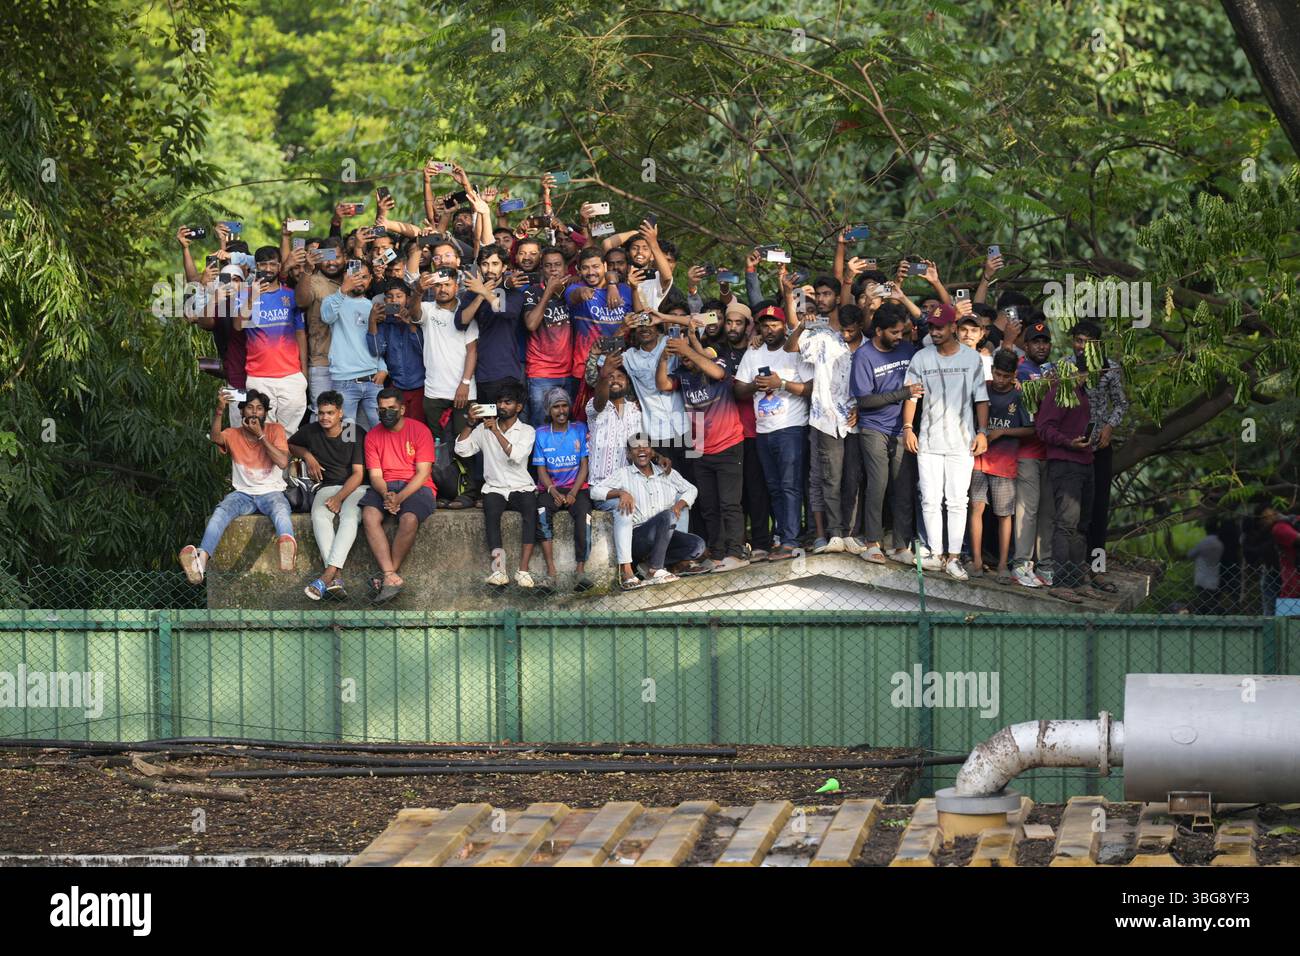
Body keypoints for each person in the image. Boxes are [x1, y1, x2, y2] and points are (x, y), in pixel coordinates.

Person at [900, 304, 989, 579]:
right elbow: (911, 396)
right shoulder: (921, 358)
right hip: (928, 439)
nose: (935, 331)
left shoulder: (972, 359)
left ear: (953, 327)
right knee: (929, 499)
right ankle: (936, 555)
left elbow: (981, 399)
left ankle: (953, 557)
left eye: (940, 327)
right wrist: (907, 428)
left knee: (957, 501)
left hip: (962, 441)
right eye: (932, 327)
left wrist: (983, 431)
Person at [657, 321, 749, 572]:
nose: (686, 358)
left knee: (730, 504)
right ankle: (717, 554)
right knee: (709, 506)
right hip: (698, 448)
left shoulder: (717, 366)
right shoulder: (683, 377)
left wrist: (687, 349)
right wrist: (664, 358)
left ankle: (736, 552)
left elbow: (719, 374)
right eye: (683, 356)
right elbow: (662, 384)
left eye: (690, 354)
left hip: (729, 444)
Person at [180, 390, 295, 584]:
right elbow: (216, 437)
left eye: (259, 408)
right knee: (221, 512)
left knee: (281, 510)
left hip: (272, 491)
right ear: (241, 411)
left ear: (265, 413)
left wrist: (260, 435)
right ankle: (200, 563)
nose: (254, 412)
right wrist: (219, 410)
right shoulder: (233, 433)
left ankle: (287, 550)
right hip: (243, 494)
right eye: (249, 407)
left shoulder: (275, 430)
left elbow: (283, 462)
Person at [784, 276, 863, 554]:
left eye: (852, 329)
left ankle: (850, 533)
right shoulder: (822, 338)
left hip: (855, 421)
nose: (847, 332)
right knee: (830, 478)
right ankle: (835, 534)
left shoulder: (864, 346)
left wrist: (860, 409)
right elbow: (791, 347)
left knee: (852, 478)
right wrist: (801, 325)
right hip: (825, 418)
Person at [734, 305, 815, 561]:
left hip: (791, 428)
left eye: (775, 325)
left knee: (790, 486)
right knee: (774, 487)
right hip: (764, 430)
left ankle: (791, 541)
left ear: (784, 327)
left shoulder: (794, 351)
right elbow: (737, 390)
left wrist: (780, 383)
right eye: (765, 326)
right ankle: (782, 536)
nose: (770, 330)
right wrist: (755, 386)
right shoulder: (754, 352)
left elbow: (812, 388)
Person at [591, 437, 706, 589]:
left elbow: (691, 489)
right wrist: (620, 492)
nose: (641, 450)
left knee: (697, 545)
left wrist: (679, 504)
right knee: (668, 515)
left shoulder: (666, 472)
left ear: (652, 451)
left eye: (645, 446)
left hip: (665, 534)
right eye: (635, 448)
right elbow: (595, 491)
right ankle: (654, 571)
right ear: (629, 454)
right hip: (640, 538)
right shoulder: (624, 474)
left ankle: (649, 564)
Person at [455, 381, 539, 588]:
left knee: (531, 511)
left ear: (518, 407)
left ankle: (523, 571)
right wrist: (470, 424)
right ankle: (499, 570)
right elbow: (461, 450)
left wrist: (496, 433)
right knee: (491, 513)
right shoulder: (484, 429)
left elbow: (516, 456)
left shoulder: (527, 431)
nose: (502, 406)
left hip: (521, 486)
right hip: (495, 487)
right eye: (499, 402)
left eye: (508, 402)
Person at [852, 303, 918, 565]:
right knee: (877, 485)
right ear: (878, 330)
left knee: (902, 486)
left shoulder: (906, 348)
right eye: (893, 332)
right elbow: (864, 400)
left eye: (901, 332)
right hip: (874, 428)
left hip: (901, 428)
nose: (899, 337)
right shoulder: (864, 356)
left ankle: (901, 546)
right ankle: (872, 542)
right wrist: (903, 393)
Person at [360, 388, 437, 604]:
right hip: (386, 485)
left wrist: (399, 498)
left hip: (417, 486)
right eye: (382, 410)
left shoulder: (420, 431)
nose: (387, 413)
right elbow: (375, 475)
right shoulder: (372, 435)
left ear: (402, 409)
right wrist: (386, 494)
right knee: (369, 515)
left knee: (408, 519)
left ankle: (387, 576)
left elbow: (423, 473)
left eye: (392, 408)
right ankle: (390, 575)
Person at [288, 390, 367, 600]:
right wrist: (307, 455)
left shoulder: (352, 431)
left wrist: (340, 497)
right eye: (321, 413)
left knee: (349, 517)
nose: (325, 417)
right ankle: (335, 580)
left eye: (330, 413)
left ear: (340, 413)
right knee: (319, 516)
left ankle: (327, 575)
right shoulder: (312, 431)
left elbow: (358, 474)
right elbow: (291, 445)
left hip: (356, 487)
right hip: (327, 487)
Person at [1071, 320, 1129, 594]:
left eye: (1086, 342)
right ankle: (1072, 569)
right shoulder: (1065, 366)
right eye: (1077, 340)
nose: (1081, 347)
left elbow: (1121, 403)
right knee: (1071, 512)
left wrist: (1109, 426)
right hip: (1071, 446)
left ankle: (1097, 570)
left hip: (1099, 448)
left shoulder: (1110, 368)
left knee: (1098, 511)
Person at [414, 267, 479, 507]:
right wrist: (417, 292)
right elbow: (413, 312)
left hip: (465, 392)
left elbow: (472, 350)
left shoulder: (464, 310)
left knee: (465, 445)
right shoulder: (428, 309)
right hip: (434, 393)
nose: (442, 289)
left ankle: (470, 493)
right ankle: (444, 492)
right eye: (438, 285)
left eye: (447, 285)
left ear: (456, 286)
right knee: (439, 448)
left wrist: (464, 384)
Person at [968, 350, 1034, 580]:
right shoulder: (983, 387)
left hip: (1004, 463)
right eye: (997, 374)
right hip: (978, 459)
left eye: (1006, 376)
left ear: (1014, 374)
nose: (1000, 380)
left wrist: (1003, 431)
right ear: (992, 370)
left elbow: (1031, 429)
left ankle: (1004, 564)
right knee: (976, 508)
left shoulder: (1020, 396)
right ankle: (976, 561)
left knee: (1004, 514)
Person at [1034, 367, 1094, 604]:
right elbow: (1044, 428)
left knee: (1081, 525)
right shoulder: (1059, 391)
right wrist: (1069, 443)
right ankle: (1060, 582)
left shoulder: (1082, 392)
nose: (1085, 374)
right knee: (1066, 523)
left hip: (1085, 461)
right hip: (1066, 463)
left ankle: (1077, 581)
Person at [718, 301, 773, 558]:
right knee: (730, 496)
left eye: (738, 322)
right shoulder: (715, 351)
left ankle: (761, 542)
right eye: (728, 322)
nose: (732, 327)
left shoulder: (757, 348)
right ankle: (732, 544)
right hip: (722, 433)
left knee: (756, 489)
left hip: (752, 428)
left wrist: (758, 337)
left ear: (748, 325)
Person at [532, 388, 595, 592]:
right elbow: (540, 468)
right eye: (556, 407)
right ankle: (551, 573)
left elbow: (584, 465)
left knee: (584, 516)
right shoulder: (541, 434)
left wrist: (573, 493)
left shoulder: (579, 428)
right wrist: (553, 491)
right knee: (541, 512)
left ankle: (580, 572)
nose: (561, 411)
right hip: (552, 488)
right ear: (549, 410)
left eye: (564, 405)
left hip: (576, 487)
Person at [1011, 318, 1055, 588]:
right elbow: (1032, 399)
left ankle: (1046, 564)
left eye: (1045, 342)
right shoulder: (1022, 369)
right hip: (1027, 450)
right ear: (1025, 345)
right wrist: (1050, 386)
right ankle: (1021, 563)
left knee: (1047, 511)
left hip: (1050, 451)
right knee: (1027, 509)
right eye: (1036, 342)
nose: (1041, 346)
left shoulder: (1053, 369)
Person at [320, 262, 388, 430]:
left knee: (380, 429)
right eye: (354, 276)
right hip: (344, 381)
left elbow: (377, 340)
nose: (359, 281)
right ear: (345, 276)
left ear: (371, 279)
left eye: (364, 277)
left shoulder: (372, 306)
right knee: (347, 433)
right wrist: (343, 290)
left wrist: (383, 367)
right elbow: (327, 317)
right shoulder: (332, 301)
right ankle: (349, 457)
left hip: (373, 379)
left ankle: (377, 457)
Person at [287, 235, 345, 419]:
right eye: (326, 258)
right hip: (322, 363)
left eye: (336, 257)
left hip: (349, 365)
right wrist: (306, 271)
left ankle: (345, 448)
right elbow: (301, 301)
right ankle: (316, 449)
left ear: (345, 258)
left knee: (346, 416)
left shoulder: (353, 280)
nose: (332, 263)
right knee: (321, 415)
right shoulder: (312, 280)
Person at [523, 245, 577, 427]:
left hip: (569, 372)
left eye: (557, 265)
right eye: (548, 265)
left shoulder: (571, 292)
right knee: (541, 425)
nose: (553, 269)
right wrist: (548, 292)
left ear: (565, 268)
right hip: (541, 373)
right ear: (542, 269)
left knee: (566, 425)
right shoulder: (532, 292)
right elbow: (531, 324)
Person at [367, 279, 426, 423]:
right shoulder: (385, 323)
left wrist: (410, 324)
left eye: (399, 296)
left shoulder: (418, 319)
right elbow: (376, 351)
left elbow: (423, 350)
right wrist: (372, 321)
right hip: (397, 386)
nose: (394, 300)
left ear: (408, 299)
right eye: (390, 296)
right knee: (398, 426)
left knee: (417, 426)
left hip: (421, 386)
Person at [1260, 507, 1300, 616]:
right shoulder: (1280, 527)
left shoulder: (1289, 523)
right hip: (1293, 592)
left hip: (1292, 586)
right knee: (1286, 628)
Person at [1187, 518, 1225, 613]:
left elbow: (1190, 554)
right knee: (1212, 603)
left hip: (1203, 579)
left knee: (1204, 604)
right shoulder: (1220, 544)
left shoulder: (1204, 543)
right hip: (1214, 579)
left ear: (1206, 530)